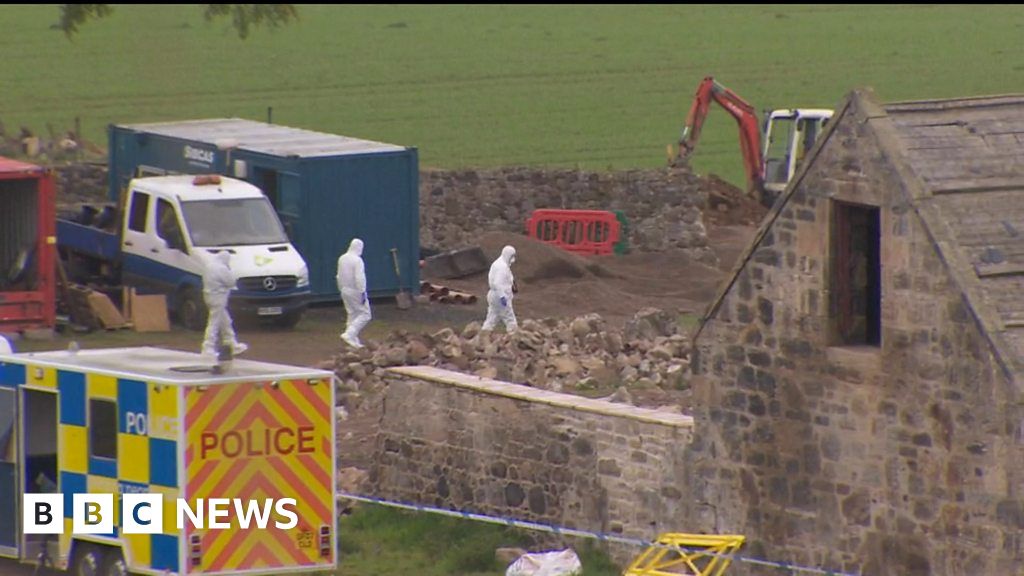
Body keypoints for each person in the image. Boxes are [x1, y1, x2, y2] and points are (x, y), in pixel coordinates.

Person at [201, 251, 247, 357]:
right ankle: (208, 346)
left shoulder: (209, 266)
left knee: (225, 321)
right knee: (214, 322)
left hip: (209, 296)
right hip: (219, 297)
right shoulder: (221, 268)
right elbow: (230, 282)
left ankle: (231, 343)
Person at [337, 238, 371, 348]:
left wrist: (341, 288)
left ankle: (352, 342)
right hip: (355, 290)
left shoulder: (342, 258)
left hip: (344, 289)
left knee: (352, 314)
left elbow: (338, 276)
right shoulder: (357, 260)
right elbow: (359, 277)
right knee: (366, 314)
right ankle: (349, 334)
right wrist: (362, 291)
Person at [482, 245, 518, 333]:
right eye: (512, 256)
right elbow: (497, 283)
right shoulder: (502, 267)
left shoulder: (499, 263)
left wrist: (512, 284)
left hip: (494, 295)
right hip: (500, 297)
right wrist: (502, 296)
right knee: (510, 319)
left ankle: (483, 335)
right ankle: (514, 338)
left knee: (492, 318)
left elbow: (507, 278)